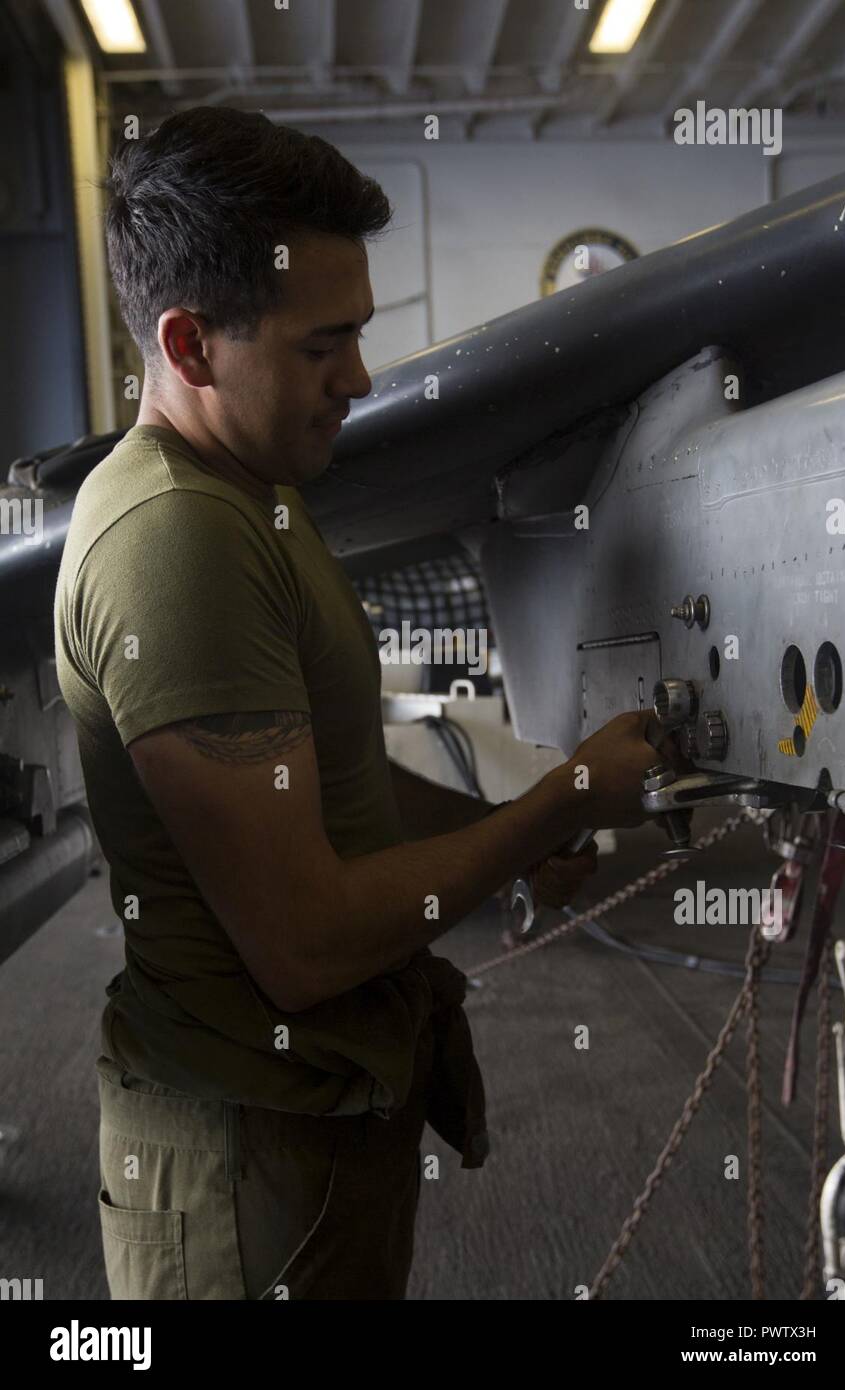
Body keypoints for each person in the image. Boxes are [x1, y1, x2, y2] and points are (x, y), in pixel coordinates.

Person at [54, 106, 674, 1301]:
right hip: (246, 1163)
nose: (358, 378)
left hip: (308, 1128)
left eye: (359, 336)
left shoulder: (246, 498)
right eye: (318, 346)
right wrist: (555, 802)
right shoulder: (175, 538)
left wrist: (482, 832)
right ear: (187, 345)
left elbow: (321, 780)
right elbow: (302, 941)